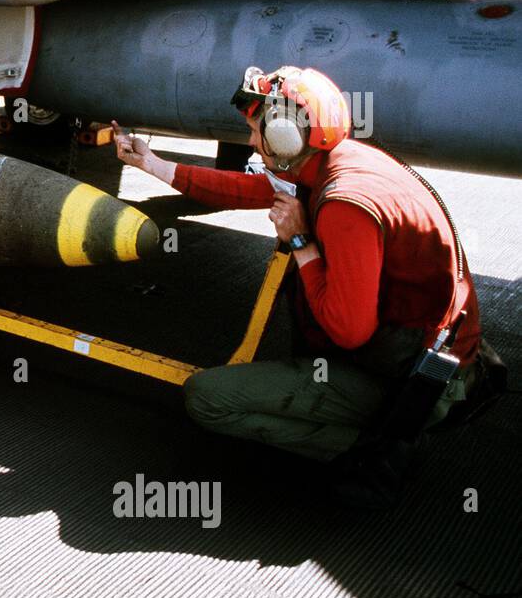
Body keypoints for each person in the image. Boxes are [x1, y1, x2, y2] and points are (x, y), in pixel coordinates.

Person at [115, 64, 499, 506]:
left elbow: (349, 330)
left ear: (285, 136)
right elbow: (252, 190)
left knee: (208, 398)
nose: (254, 142)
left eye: (258, 131)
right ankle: (379, 426)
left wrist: (299, 242)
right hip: (430, 352)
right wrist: (154, 164)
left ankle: (380, 449)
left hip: (421, 381)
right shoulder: (340, 161)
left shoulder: (345, 205)